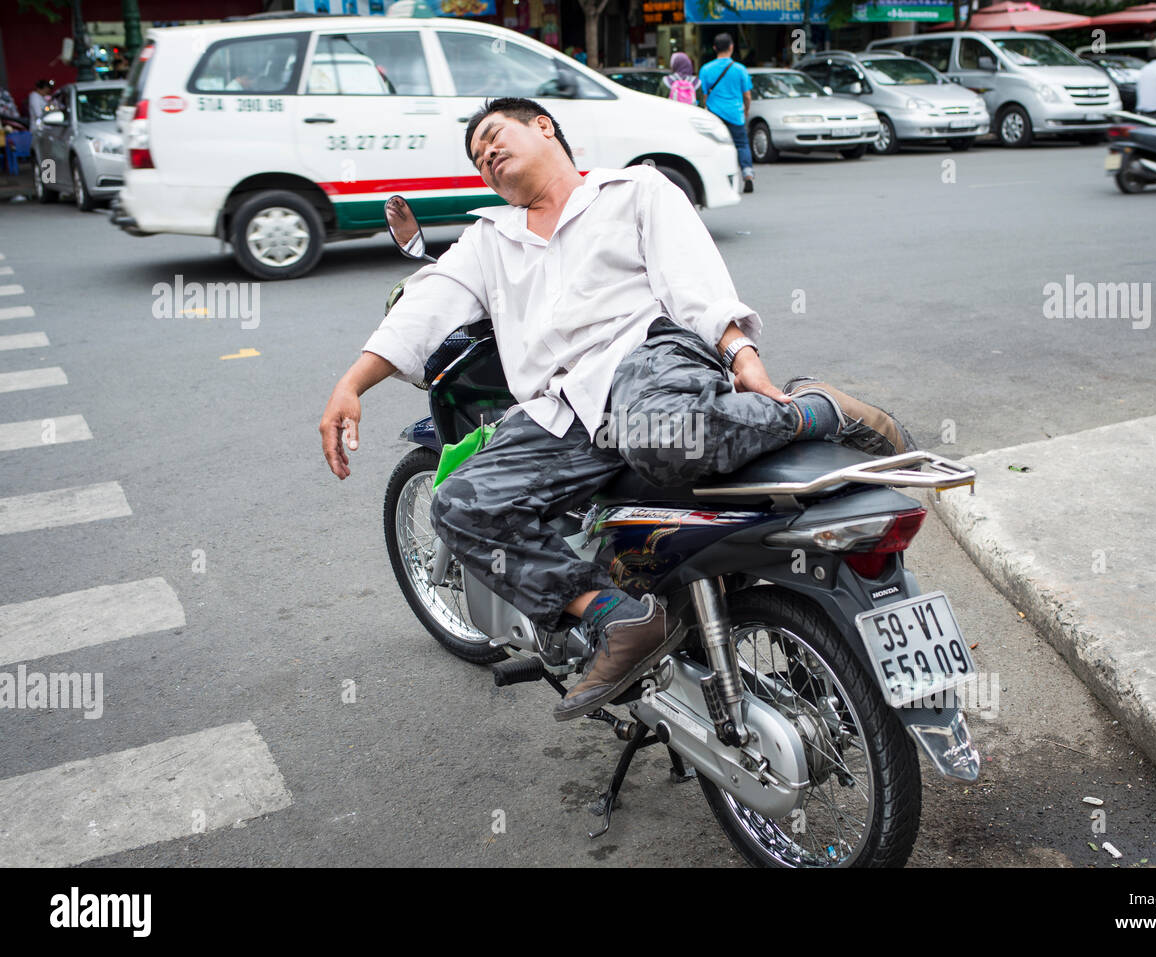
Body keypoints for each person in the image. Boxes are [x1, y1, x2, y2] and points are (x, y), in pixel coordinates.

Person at [319, 97, 912, 720]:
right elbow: (428, 303)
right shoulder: (490, 238)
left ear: (543, 127)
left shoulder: (633, 190)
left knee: (657, 438)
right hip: (561, 412)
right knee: (460, 504)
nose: (487, 155)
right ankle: (618, 616)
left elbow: (696, 282)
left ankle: (818, 409)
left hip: (647, 359)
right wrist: (352, 384)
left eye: (495, 137)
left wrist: (740, 352)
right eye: (477, 157)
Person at [699, 33, 754, 193]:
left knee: (716, 146)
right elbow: (747, 95)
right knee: (742, 144)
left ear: (714, 48)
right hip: (735, 114)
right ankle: (748, 174)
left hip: (715, 115)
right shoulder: (740, 69)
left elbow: (703, 95)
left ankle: (719, 178)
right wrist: (746, 110)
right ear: (731, 47)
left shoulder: (706, 69)